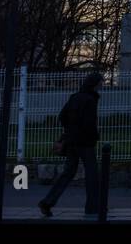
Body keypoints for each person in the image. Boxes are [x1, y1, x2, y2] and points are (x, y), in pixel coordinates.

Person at [39, 72, 103, 217]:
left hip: (71, 141)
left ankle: (48, 201)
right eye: (100, 82)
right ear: (94, 84)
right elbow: (88, 124)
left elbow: (62, 117)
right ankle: (92, 207)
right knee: (92, 175)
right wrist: (94, 137)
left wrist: (66, 136)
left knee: (68, 173)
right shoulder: (90, 100)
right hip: (85, 143)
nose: (102, 85)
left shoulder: (74, 97)